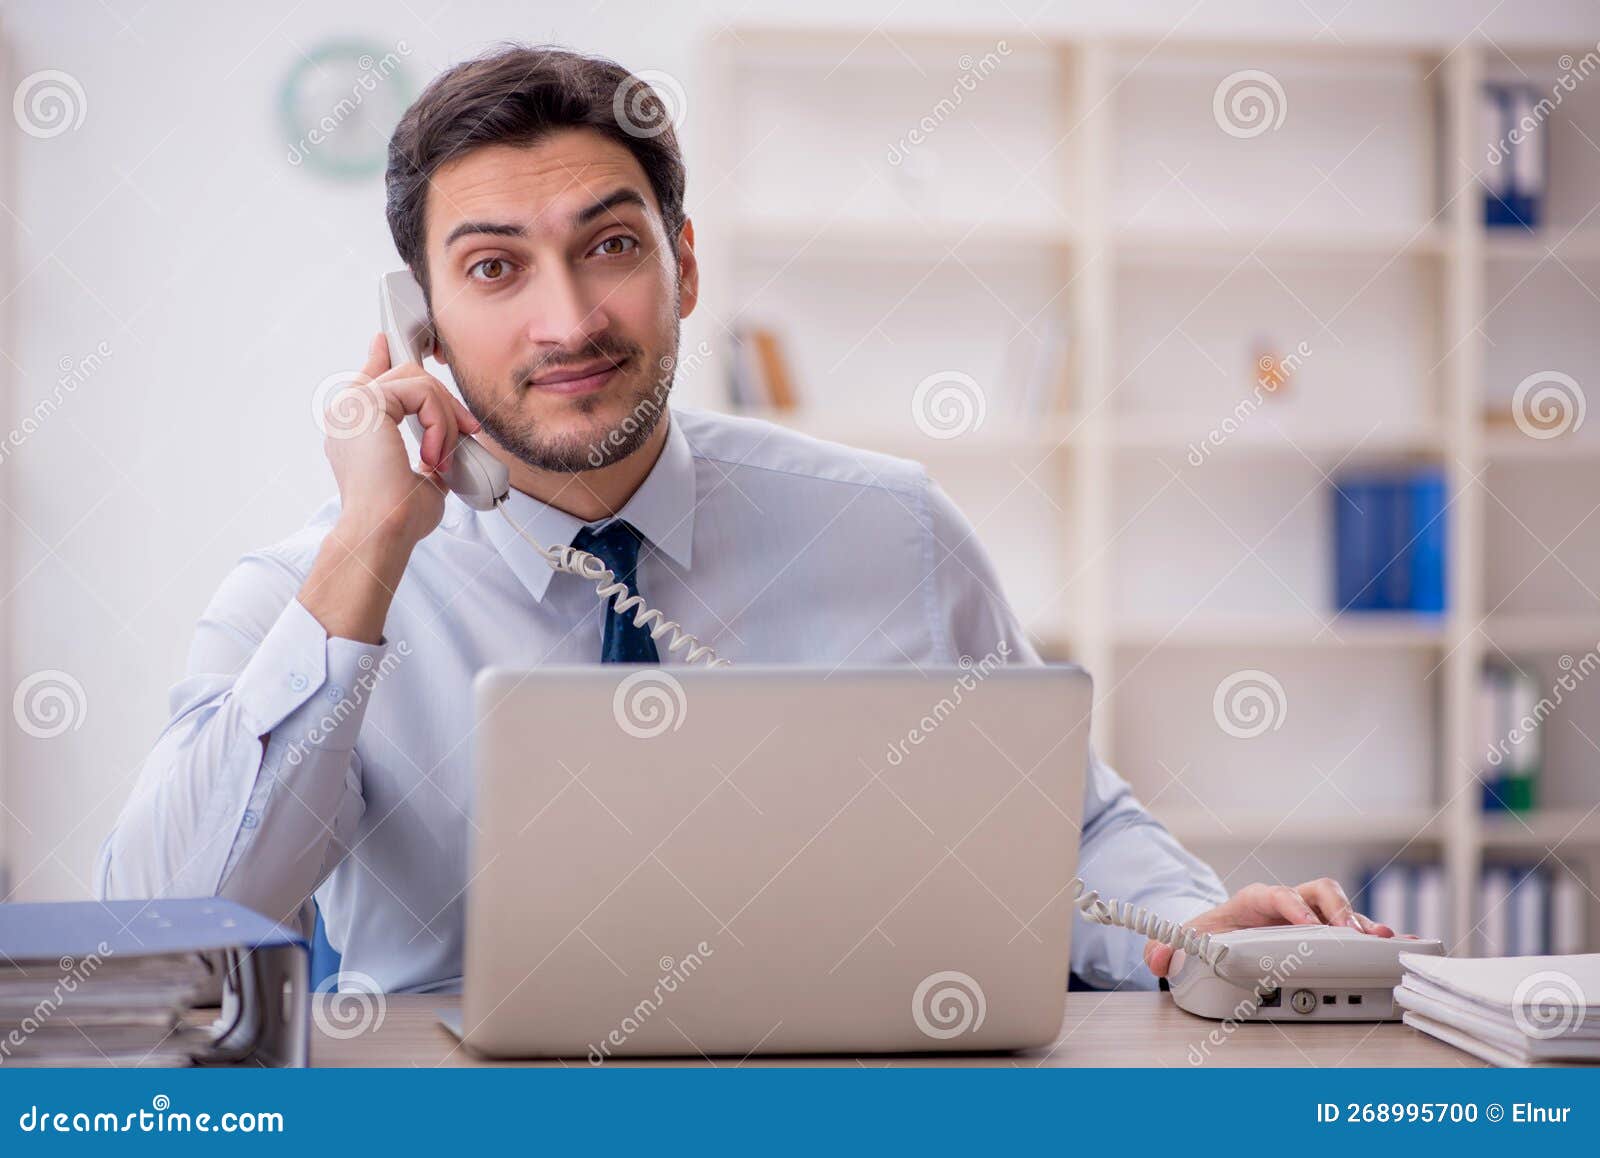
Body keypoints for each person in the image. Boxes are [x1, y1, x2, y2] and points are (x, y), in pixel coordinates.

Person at [96, 44, 1393, 994]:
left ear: (686, 264)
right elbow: (161, 928)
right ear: (418, 322)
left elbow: (1066, 830)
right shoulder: (315, 594)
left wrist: (1184, 926)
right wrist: (370, 548)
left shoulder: (893, 532)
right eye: (495, 267)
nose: (567, 320)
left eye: (611, 246)